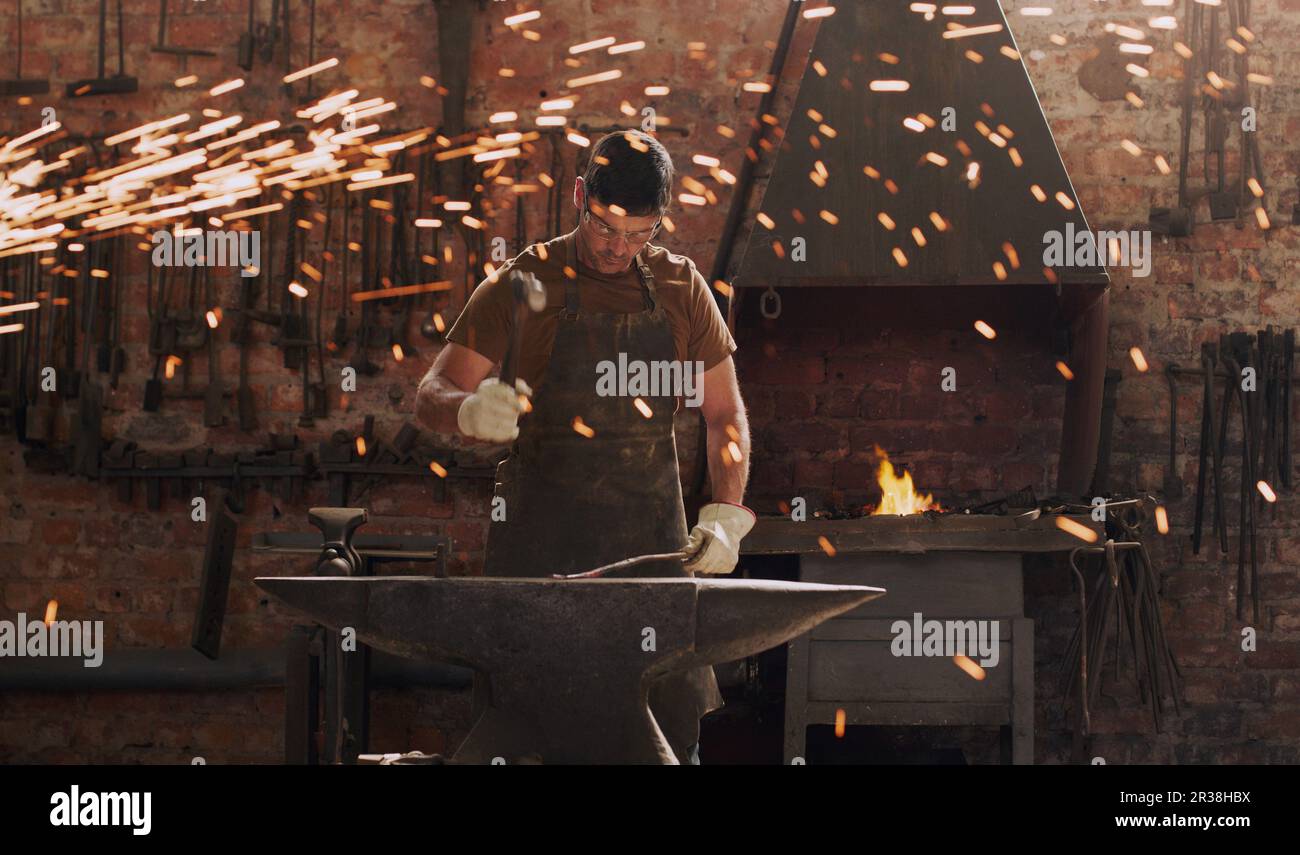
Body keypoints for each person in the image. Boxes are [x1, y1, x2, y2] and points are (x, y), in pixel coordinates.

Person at [415, 129, 755, 764]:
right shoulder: (525, 283)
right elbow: (430, 393)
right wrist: (466, 409)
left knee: (659, 741)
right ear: (579, 196)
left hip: (651, 560)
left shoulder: (681, 288)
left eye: (639, 233)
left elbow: (723, 413)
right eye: (604, 227)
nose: (618, 248)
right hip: (541, 564)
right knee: (532, 737)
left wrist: (727, 515)